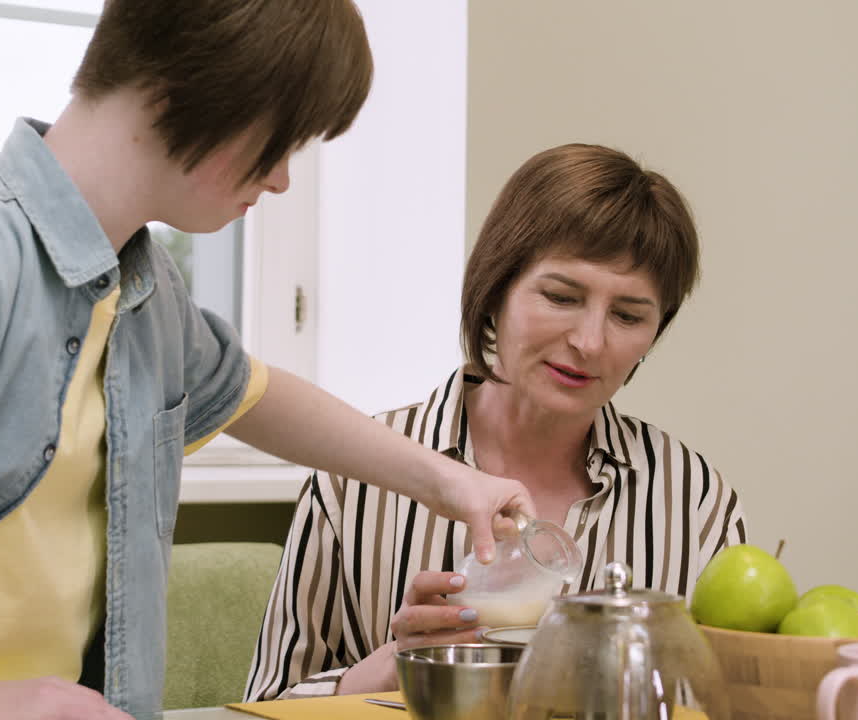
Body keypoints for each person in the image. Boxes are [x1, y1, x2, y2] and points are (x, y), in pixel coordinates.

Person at [0, 2, 535, 718]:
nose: (286, 179)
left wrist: (448, 480)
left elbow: (255, 394)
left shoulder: (142, 291)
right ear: (191, 91)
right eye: (279, 141)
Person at [244, 143, 749, 701]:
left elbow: (730, 705)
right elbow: (263, 707)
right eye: (561, 296)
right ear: (495, 291)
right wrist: (396, 666)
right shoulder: (352, 481)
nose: (589, 341)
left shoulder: (694, 501)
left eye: (628, 316)